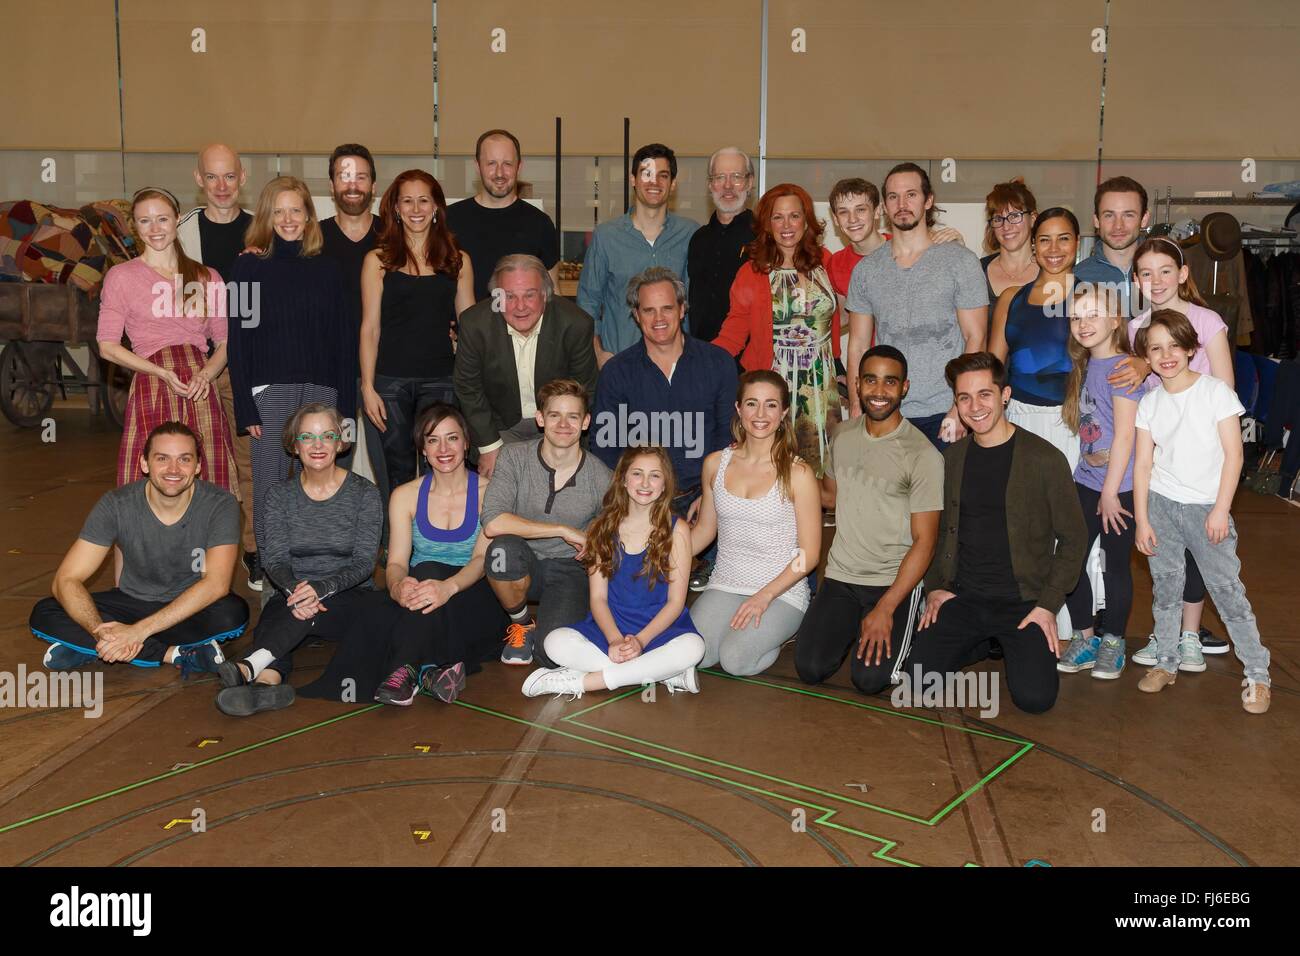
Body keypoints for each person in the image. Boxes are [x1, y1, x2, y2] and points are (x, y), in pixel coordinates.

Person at [907, 352, 1087, 715]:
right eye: (964, 398)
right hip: (965, 597)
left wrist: (1047, 605)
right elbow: (938, 531)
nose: (975, 407)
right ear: (955, 403)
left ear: (1005, 395)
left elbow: (1074, 538)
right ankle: (985, 642)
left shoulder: (1043, 459)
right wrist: (937, 586)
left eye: (985, 394)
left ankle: (1003, 640)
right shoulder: (952, 460)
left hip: (1023, 604)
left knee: (1035, 700)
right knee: (916, 683)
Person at [301, 404, 507, 706]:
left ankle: (402, 668)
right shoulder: (405, 495)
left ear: (466, 443)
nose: (444, 448)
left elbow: (480, 561)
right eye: (433, 440)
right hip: (423, 594)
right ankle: (427, 675)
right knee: (377, 606)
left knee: (430, 569)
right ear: (422, 448)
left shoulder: (491, 492)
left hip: (473, 596)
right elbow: (396, 563)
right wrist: (398, 587)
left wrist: (446, 588)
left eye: (452, 438)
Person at [1132, 312, 1271, 714]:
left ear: (1192, 348)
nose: (1166, 355)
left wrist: (1220, 509)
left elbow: (1235, 454)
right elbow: (1143, 465)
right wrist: (1143, 518)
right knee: (1166, 591)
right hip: (1161, 506)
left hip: (1207, 508)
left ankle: (1258, 675)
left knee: (1228, 594)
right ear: (1147, 355)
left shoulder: (1216, 393)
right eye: (1155, 348)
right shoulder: (1150, 403)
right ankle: (1166, 663)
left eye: (1174, 346)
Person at [30, 422, 248, 675]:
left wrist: (137, 631)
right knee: (46, 610)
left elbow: (216, 584)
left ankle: (87, 648)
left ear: (198, 466)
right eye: (162, 458)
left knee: (232, 613)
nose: (174, 469)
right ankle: (174, 654)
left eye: (185, 459)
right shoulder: (116, 504)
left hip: (188, 608)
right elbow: (66, 579)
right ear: (144, 464)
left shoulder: (220, 504)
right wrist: (99, 630)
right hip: (131, 603)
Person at [214, 404, 384, 716]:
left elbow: (363, 564)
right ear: (294, 446)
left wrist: (319, 588)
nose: (317, 445)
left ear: (340, 442)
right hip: (294, 593)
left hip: (351, 598)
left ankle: (250, 666)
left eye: (326, 436)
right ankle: (266, 684)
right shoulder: (279, 496)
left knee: (297, 613)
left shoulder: (365, 493)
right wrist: (297, 589)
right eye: (307, 437)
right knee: (278, 614)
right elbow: (275, 560)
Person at [794, 346, 942, 694]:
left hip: (892, 583)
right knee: (810, 668)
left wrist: (887, 607)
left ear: (904, 387)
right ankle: (852, 625)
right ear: (857, 384)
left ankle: (911, 621)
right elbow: (830, 496)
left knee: (870, 681)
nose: (879, 391)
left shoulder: (923, 455)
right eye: (871, 380)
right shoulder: (842, 434)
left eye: (890, 382)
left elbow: (926, 541)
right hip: (841, 577)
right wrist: (788, 471)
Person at [226, 176, 357, 553]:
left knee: (317, 486)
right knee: (268, 488)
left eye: (295, 211)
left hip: (323, 393)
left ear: (309, 217)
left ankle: (317, 567)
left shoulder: (329, 270)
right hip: (268, 394)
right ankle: (273, 577)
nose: (287, 219)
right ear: (266, 217)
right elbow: (238, 340)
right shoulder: (246, 270)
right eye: (277, 211)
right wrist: (245, 405)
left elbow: (344, 343)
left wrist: (346, 412)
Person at [1126, 237, 1237, 661]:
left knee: (1201, 548)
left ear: (1183, 274)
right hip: (1162, 460)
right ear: (1136, 279)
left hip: (1205, 459)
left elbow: (1225, 388)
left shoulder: (1207, 321)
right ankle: (1166, 633)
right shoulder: (1136, 329)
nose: (1156, 281)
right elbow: (1139, 398)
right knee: (1166, 552)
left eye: (1165, 271)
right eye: (1147, 273)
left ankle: (1190, 634)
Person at [521, 446, 705, 699]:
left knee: (693, 648)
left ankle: (581, 683)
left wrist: (640, 641)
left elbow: (675, 602)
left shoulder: (677, 530)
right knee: (554, 642)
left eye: (655, 475)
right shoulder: (602, 527)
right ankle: (662, 672)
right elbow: (598, 598)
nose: (645, 483)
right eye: (637, 474)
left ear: (664, 485)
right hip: (611, 627)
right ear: (623, 480)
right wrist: (615, 640)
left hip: (658, 630)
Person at [98, 188, 237, 499]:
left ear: (177, 220)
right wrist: (159, 373)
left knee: (207, 484)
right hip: (152, 383)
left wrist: (207, 374)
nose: (155, 228)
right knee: (147, 485)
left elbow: (225, 340)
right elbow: (107, 346)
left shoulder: (205, 276)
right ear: (135, 227)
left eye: (162, 219)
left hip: (199, 387)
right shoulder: (121, 277)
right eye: (145, 221)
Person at [844, 163, 988, 444]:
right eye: (893, 196)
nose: (902, 204)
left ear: (928, 200)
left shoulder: (960, 261)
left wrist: (959, 409)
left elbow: (976, 337)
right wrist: (855, 403)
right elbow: (858, 345)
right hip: (885, 411)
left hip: (943, 413)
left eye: (911, 194)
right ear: (884, 206)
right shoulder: (867, 270)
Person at [690, 371, 821, 676]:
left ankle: (778, 633)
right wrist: (664, 556)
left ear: (784, 412)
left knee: (735, 660)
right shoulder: (714, 464)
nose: (760, 415)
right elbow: (705, 532)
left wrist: (765, 596)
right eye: (752, 404)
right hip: (726, 582)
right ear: (738, 408)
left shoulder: (798, 474)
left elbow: (809, 555)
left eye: (771, 405)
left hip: (781, 590)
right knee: (697, 654)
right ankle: (744, 632)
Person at [359, 170, 474, 514]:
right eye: (407, 201)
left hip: (441, 380)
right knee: (397, 470)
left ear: (437, 206)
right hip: (390, 382)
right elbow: (370, 329)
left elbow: (469, 326)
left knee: (440, 467)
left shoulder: (458, 260)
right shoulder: (377, 261)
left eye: (424, 199)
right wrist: (367, 387)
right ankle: (398, 547)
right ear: (395, 208)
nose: (416, 208)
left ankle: (436, 540)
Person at [713, 183, 845, 477]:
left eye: (794, 216)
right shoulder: (752, 272)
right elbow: (734, 330)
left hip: (820, 385)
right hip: (772, 382)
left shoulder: (826, 261)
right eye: (777, 217)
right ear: (767, 225)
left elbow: (868, 257)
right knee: (771, 470)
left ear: (806, 221)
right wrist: (702, 363)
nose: (787, 225)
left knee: (818, 475)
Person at [482, 379, 613, 667]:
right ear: (541, 418)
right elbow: (492, 522)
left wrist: (594, 536)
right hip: (523, 560)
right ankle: (522, 623)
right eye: (555, 415)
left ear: (586, 421)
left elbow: (610, 528)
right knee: (501, 552)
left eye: (573, 416)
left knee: (551, 656)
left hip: (569, 569)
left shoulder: (601, 475)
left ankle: (555, 627)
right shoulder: (514, 457)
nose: (563, 424)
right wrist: (562, 530)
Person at [176, 143, 257, 588]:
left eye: (229, 177)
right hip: (200, 365)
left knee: (252, 461)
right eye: (212, 177)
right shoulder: (182, 232)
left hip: (251, 364)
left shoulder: (261, 231)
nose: (222, 186)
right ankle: (198, 550)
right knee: (200, 460)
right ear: (199, 179)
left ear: (242, 178)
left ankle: (253, 549)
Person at [1057, 285, 1146, 680]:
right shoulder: (1085, 365)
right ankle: (1084, 637)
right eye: (1076, 316)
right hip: (1087, 481)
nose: (1083, 323)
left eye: (1093, 314)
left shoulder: (1123, 368)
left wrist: (1111, 492)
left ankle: (1114, 642)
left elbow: (1126, 435)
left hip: (1119, 488)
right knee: (1071, 560)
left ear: (1115, 320)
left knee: (1114, 568)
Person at [453, 254, 598, 480]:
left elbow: (583, 390)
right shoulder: (475, 324)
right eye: (509, 296)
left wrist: (562, 445)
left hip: (556, 422)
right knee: (499, 486)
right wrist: (489, 447)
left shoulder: (576, 324)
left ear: (545, 294)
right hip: (500, 424)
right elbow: (468, 388)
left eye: (529, 295)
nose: (520, 307)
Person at [577, 143, 698, 364]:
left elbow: (697, 301)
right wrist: (598, 353)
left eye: (663, 175)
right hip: (620, 361)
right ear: (633, 180)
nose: (655, 182)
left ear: (673, 184)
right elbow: (587, 303)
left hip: (678, 365)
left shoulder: (691, 235)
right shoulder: (606, 237)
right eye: (646, 174)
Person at [989, 207, 1082, 470]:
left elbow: (1112, 360)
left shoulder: (1091, 297)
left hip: (1070, 420)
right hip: (1016, 418)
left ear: (1077, 241)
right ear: (1033, 244)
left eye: (1063, 238)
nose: (1054, 248)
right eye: (1044, 239)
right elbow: (992, 368)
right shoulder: (1010, 298)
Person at [446, 128, 560, 302]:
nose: (499, 173)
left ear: (519, 167)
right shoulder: (449, 220)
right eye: (491, 163)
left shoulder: (539, 224)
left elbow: (552, 292)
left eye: (507, 164)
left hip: (522, 328)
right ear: (477, 166)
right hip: (465, 328)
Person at [686, 147, 755, 343]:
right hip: (702, 355)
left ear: (749, 182)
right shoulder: (698, 239)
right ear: (710, 185)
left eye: (736, 177)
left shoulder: (764, 238)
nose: (727, 186)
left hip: (749, 362)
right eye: (719, 177)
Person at [319, 143, 380, 331]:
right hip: (327, 356)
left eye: (361, 177)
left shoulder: (395, 237)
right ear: (331, 186)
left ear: (374, 186)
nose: (353, 186)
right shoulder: (311, 238)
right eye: (344, 177)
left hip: (385, 356)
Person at [1074, 175, 1149, 320]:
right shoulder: (1078, 278)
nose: (1118, 226)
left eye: (1128, 215)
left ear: (1144, 219)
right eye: (1109, 215)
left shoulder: (1166, 274)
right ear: (1096, 220)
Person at [980, 179, 1040, 307]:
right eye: (998, 219)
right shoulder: (977, 271)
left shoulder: (1051, 271)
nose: (1006, 227)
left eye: (1014, 216)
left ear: (1033, 219)